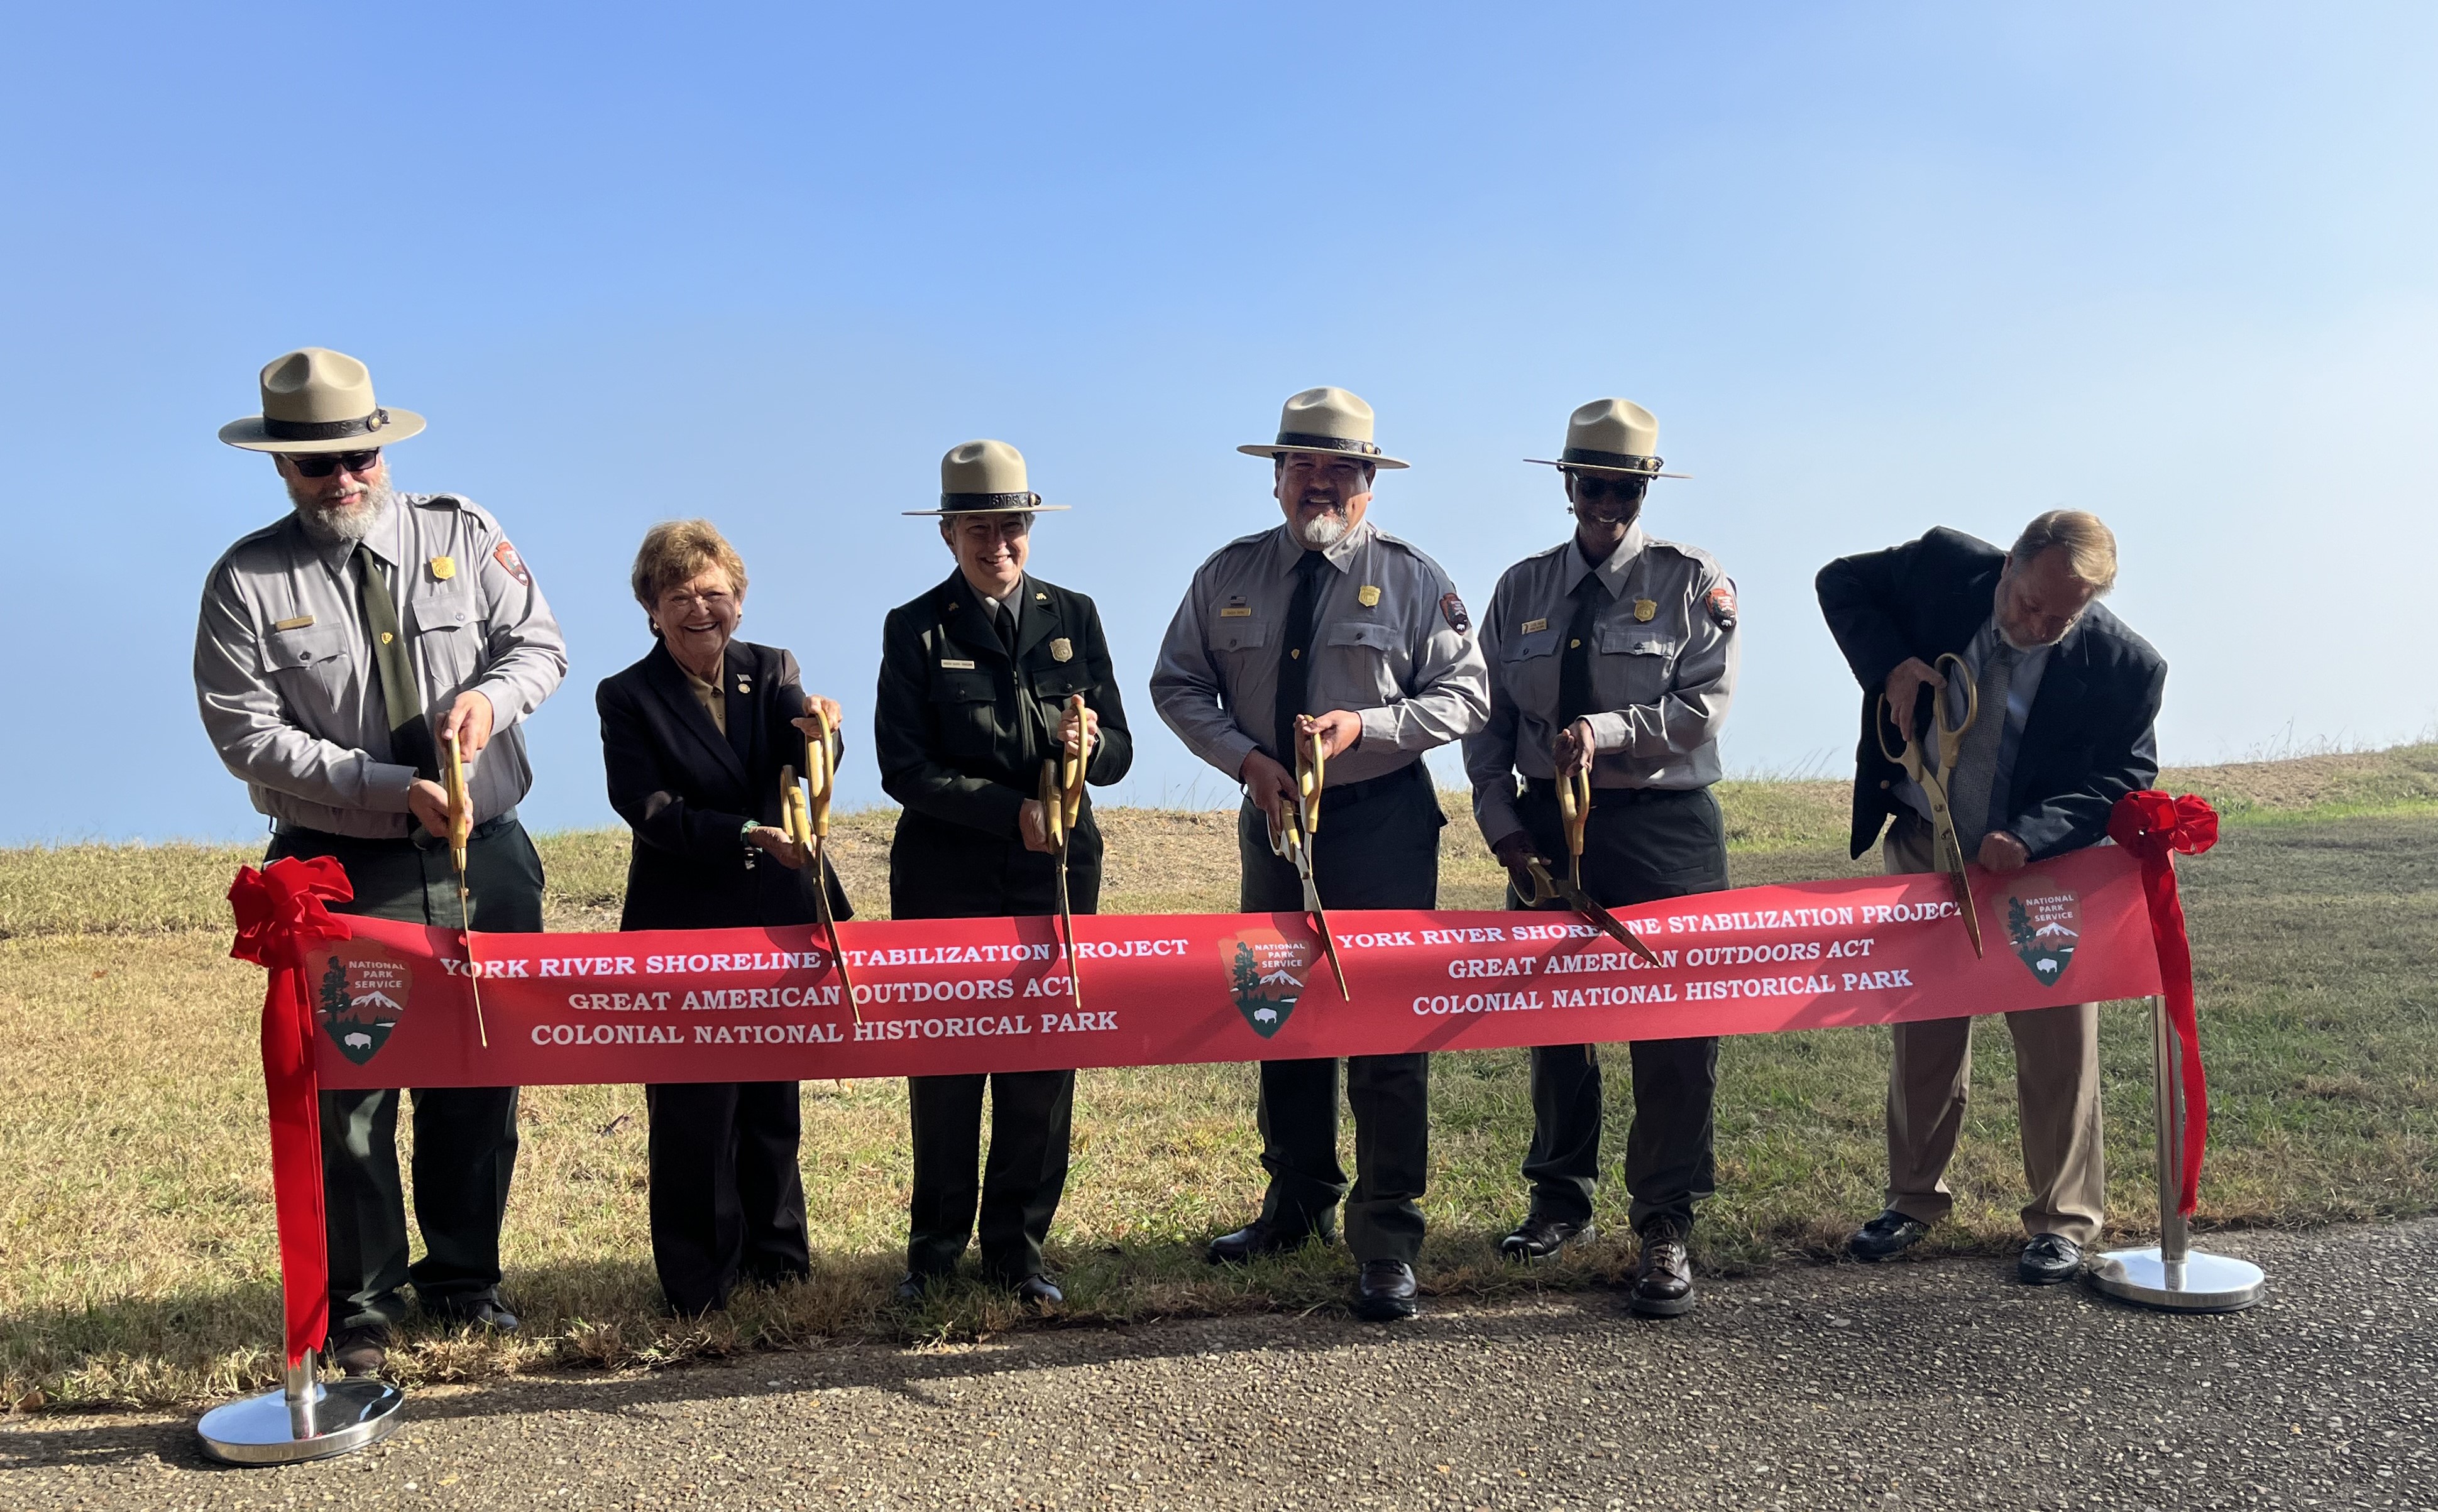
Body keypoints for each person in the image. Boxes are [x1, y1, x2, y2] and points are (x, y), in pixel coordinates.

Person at [194, 347, 566, 1376]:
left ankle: (466, 1279)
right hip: (343, 870)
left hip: (486, 857)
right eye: (318, 465)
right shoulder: (247, 581)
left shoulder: (461, 529)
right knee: (352, 1091)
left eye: (359, 456)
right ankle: (364, 1305)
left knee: (481, 1070)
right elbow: (245, 735)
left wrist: (491, 702)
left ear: (382, 447)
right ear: (281, 468)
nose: (345, 478)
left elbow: (539, 645)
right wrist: (380, 783)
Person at [1150, 386, 1489, 1322]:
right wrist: (1247, 761)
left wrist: (1364, 727)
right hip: (1271, 825)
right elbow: (1176, 682)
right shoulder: (1228, 573)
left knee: (1384, 1029)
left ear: (1370, 483)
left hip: (1379, 822)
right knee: (1279, 1013)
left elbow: (1464, 697)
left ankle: (1385, 1236)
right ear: (1276, 479)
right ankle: (1294, 1203)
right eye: (1303, 466)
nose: (1320, 484)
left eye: (1340, 468)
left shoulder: (1415, 579)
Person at [1816, 511, 2163, 1284]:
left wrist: (2034, 835)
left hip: (2039, 873)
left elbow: (2127, 774)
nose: (2038, 624)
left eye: (2061, 615)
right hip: (1921, 843)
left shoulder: (2126, 667)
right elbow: (1839, 583)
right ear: (2009, 564)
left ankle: (2062, 1220)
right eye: (2029, 602)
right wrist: (1893, 664)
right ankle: (1910, 1201)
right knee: (1925, 1031)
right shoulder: (1944, 564)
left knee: (2058, 1044)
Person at [1463, 398, 1737, 1317]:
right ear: (1567, 485)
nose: (1608, 500)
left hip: (1661, 827)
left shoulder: (1694, 581)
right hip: (1544, 827)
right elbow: (1487, 722)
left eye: (1626, 486)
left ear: (1644, 488)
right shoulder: (1520, 590)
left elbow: (1700, 708)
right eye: (1594, 484)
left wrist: (1607, 728)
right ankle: (1557, 1199)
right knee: (1551, 1019)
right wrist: (1501, 825)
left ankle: (1663, 1222)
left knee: (1673, 1035)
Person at [872, 440, 1132, 1307]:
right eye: (980, 528)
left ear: (1031, 527)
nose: (999, 545)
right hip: (949, 872)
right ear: (947, 532)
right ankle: (935, 1251)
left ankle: (1018, 1251)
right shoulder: (914, 628)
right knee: (947, 1064)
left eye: (1012, 526)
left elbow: (1122, 752)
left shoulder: (1076, 615)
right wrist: (1007, 810)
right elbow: (902, 768)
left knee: (1042, 1060)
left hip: (1056, 872)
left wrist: (1090, 749)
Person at [595, 520, 855, 1316]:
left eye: (714, 593)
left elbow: (801, 770)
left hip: (776, 917)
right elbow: (647, 807)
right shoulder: (627, 696)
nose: (699, 609)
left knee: (774, 1099)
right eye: (680, 596)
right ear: (651, 607)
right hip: (684, 923)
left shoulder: (772, 668)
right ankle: (700, 1284)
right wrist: (744, 832)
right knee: (694, 1109)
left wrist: (826, 736)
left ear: (738, 601)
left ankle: (780, 1268)